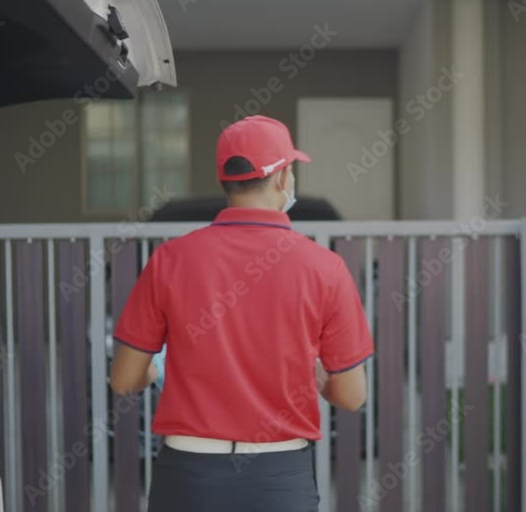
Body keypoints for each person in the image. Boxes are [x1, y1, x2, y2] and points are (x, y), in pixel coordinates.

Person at [109, 115, 373, 512]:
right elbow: (352, 396)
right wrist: (319, 379)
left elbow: (124, 380)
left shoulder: (169, 260)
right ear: (284, 177)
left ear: (225, 180)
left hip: (188, 476)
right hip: (280, 477)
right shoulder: (325, 267)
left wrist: (155, 369)